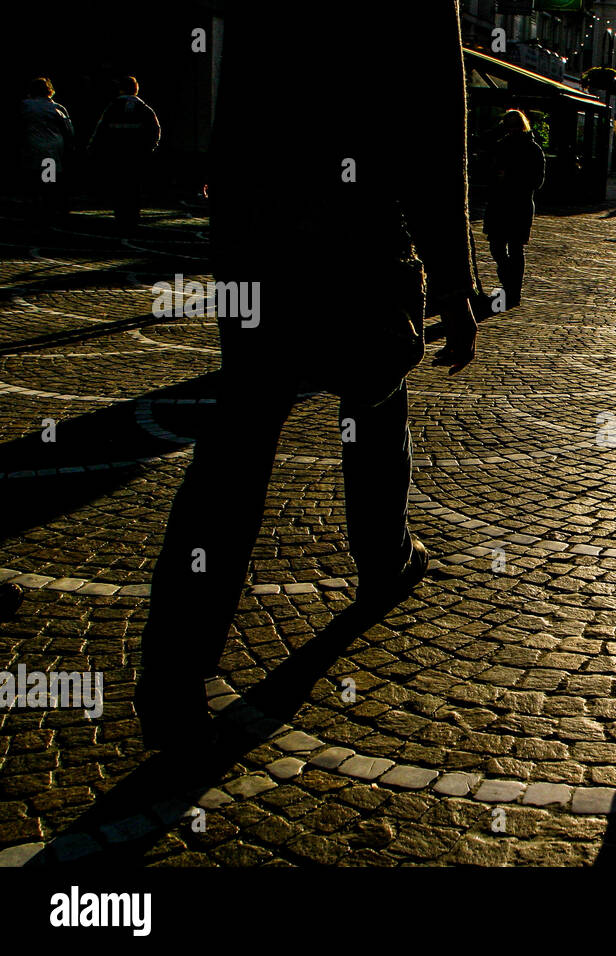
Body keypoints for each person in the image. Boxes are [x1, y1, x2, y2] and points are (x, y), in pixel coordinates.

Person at [135, 4, 478, 749]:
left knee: (239, 434)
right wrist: (453, 279)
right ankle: (384, 558)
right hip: (360, 226)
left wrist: (234, 222)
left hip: (259, 219)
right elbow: (432, 123)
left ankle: (172, 670)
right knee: (377, 393)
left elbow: (240, 90)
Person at [484, 109, 545, 309]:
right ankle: (509, 284)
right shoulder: (501, 146)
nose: (511, 130)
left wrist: (509, 177)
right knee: (497, 248)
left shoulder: (533, 149)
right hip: (499, 204)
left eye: (515, 125)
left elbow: (537, 181)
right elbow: (490, 172)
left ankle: (513, 291)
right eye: (508, 125)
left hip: (519, 204)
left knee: (516, 248)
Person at [87, 75, 160, 230]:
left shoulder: (112, 107)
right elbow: (155, 129)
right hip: (137, 155)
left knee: (119, 185)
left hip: (116, 154)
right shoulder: (144, 108)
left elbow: (100, 130)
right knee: (134, 186)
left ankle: (120, 216)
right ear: (136, 89)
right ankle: (133, 216)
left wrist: (94, 148)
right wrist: (150, 147)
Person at [18, 76, 74, 227]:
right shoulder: (57, 108)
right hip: (51, 149)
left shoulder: (25, 106)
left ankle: (35, 210)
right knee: (48, 181)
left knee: (33, 179)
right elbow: (69, 130)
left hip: (31, 147)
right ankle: (48, 210)